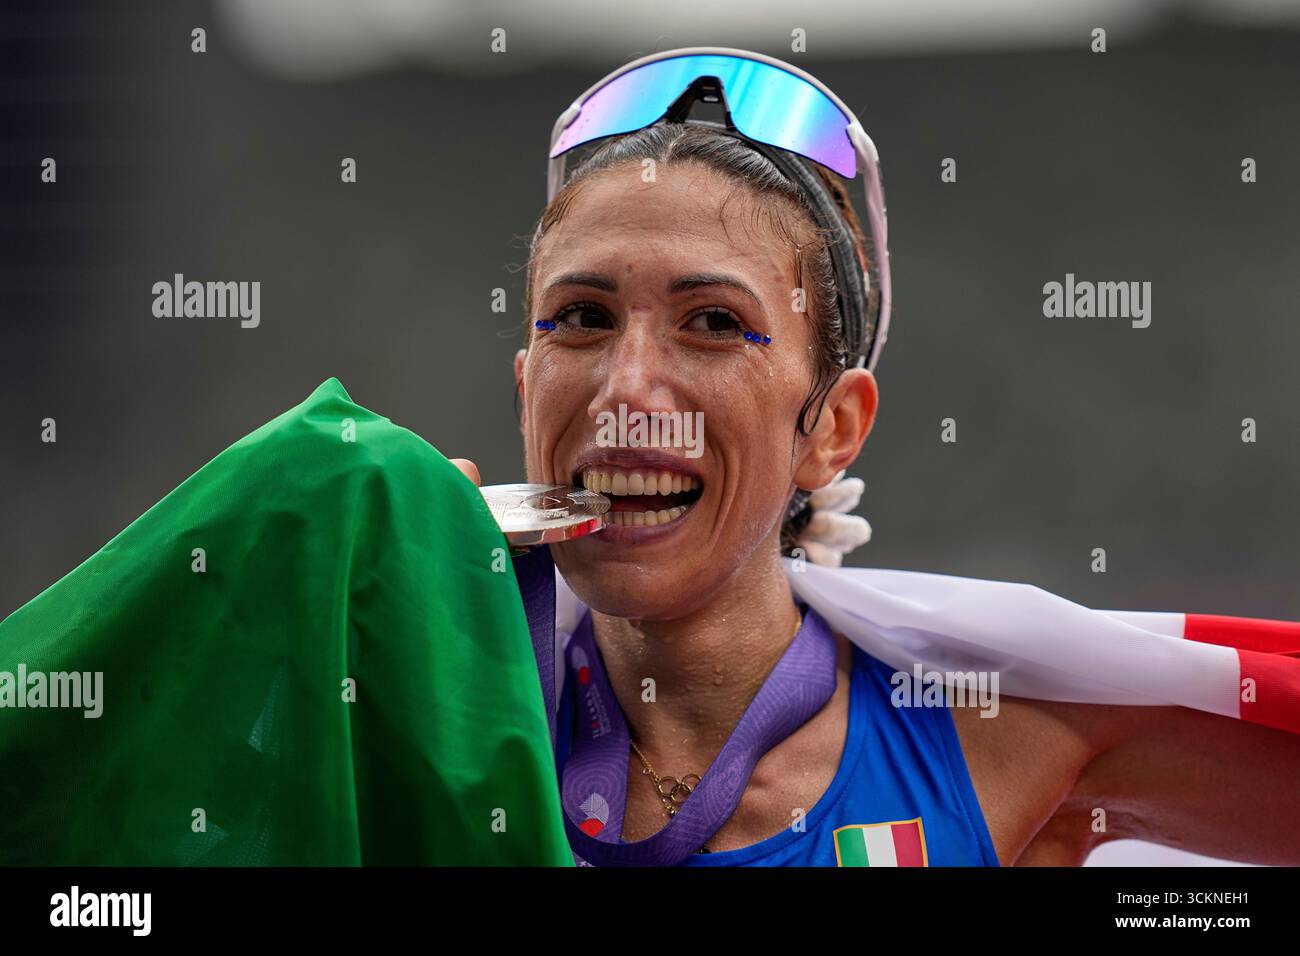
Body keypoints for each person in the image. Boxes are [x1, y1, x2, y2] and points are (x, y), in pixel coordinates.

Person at [454, 48, 1300, 866]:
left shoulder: (1008, 741)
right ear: (527, 389)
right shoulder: (430, 716)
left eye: (713, 322)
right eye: (582, 318)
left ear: (831, 430)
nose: (626, 392)